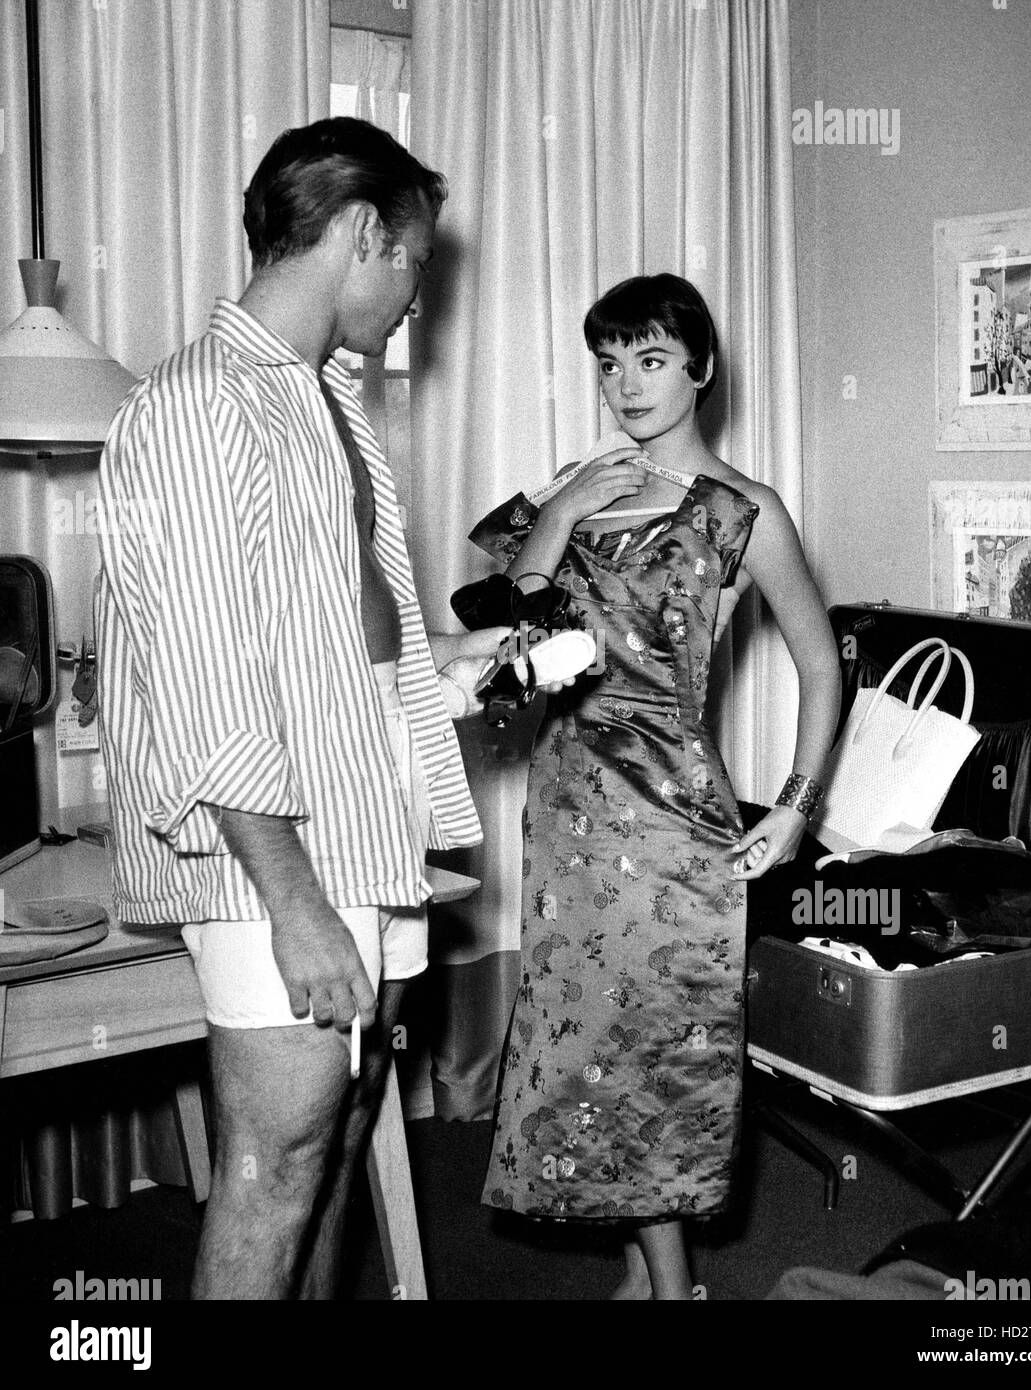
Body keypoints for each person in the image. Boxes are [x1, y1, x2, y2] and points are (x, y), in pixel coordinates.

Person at [95, 117, 522, 1299]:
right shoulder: (192, 408)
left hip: (361, 809)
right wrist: (293, 902)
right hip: (266, 848)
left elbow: (332, 637)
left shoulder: (325, 401)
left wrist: (446, 657)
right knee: (274, 1159)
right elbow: (203, 677)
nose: (415, 301)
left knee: (341, 1130)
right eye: (416, 264)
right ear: (360, 232)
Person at [473, 273, 841, 1299]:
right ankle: (649, 1271)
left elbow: (822, 664)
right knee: (585, 1043)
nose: (625, 383)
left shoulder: (741, 510)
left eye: (650, 360)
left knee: (656, 1052)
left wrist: (795, 806)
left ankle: (673, 1285)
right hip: (566, 808)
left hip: (673, 814)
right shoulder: (572, 487)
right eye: (608, 362)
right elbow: (508, 633)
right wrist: (563, 509)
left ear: (701, 369)